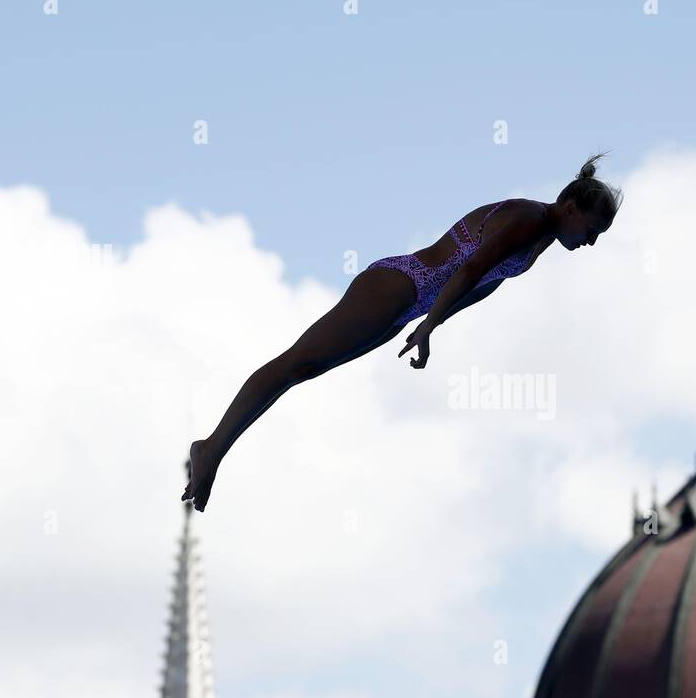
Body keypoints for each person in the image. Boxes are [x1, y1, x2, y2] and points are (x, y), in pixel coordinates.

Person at [182, 152, 623, 511]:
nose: (592, 242)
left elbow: (484, 285)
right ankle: (213, 447)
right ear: (570, 208)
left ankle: (217, 447)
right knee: (297, 362)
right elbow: (470, 268)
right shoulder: (530, 218)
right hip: (401, 286)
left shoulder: (541, 240)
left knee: (305, 371)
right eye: (592, 229)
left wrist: (432, 320)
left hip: (406, 308)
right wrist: (430, 323)